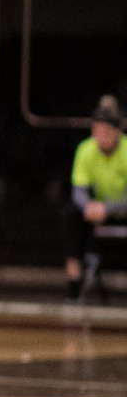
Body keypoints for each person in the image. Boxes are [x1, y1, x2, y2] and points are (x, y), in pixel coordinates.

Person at [67, 95, 127, 302]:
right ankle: (74, 284)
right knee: (71, 214)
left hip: (120, 208)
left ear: (118, 131)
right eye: (99, 130)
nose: (103, 135)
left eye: (109, 131)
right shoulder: (86, 149)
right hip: (98, 212)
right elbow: (78, 191)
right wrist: (88, 206)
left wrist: (107, 208)